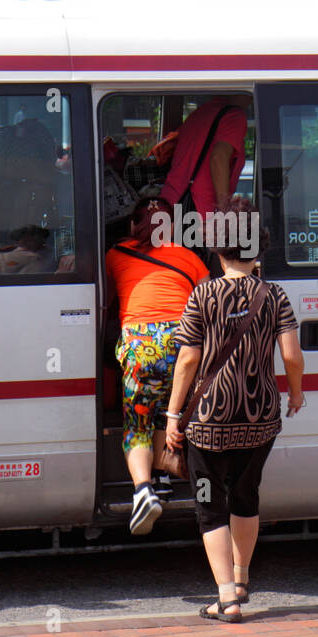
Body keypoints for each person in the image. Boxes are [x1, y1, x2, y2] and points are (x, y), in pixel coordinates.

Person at [165, 197, 304, 622]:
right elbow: (293, 355)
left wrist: (173, 416)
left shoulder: (202, 295)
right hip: (261, 417)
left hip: (208, 421)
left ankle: (226, 598)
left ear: (217, 248)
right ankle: (242, 579)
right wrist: (295, 394)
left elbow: (188, 361)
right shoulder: (274, 294)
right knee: (246, 495)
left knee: (210, 503)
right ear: (258, 247)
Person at [106, 197, 210, 535]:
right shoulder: (189, 257)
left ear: (134, 226)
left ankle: (143, 490)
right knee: (170, 411)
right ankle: (170, 475)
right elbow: (206, 302)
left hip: (140, 343)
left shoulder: (116, 254)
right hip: (181, 343)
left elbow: (105, 298)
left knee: (138, 422)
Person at [159, 95, 249, 217]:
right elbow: (218, 158)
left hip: (169, 207)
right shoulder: (234, 116)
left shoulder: (201, 112)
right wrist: (225, 212)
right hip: (198, 213)